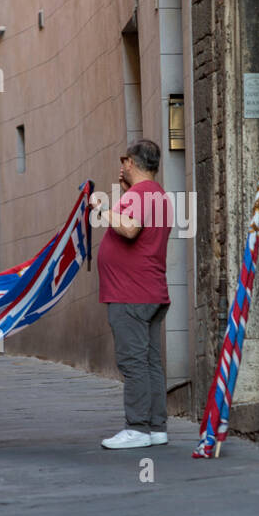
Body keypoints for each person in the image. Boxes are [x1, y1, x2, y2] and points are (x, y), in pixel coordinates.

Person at [90, 139, 174, 449]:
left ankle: (137, 427)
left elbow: (130, 229)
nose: (120, 166)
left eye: (124, 161)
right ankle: (156, 427)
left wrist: (102, 209)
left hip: (132, 293)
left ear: (133, 164)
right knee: (150, 361)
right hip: (150, 290)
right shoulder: (159, 195)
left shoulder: (140, 194)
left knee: (134, 362)